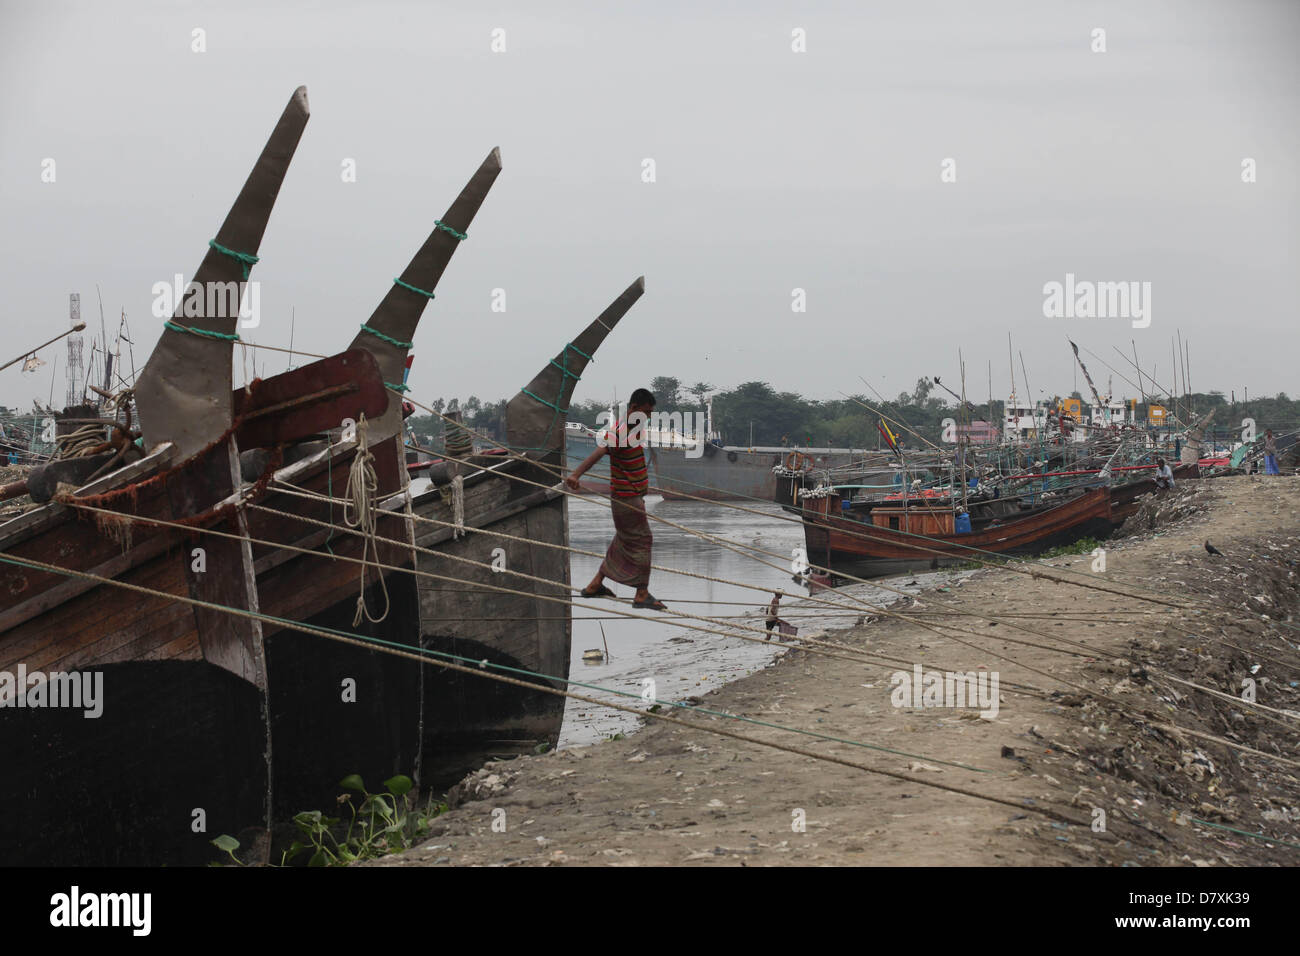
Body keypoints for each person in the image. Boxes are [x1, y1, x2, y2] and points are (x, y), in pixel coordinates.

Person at [566, 388, 666, 610]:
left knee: (623, 540)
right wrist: (575, 475)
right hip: (627, 499)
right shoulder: (620, 431)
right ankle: (641, 593)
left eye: (650, 414)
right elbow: (599, 452)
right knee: (643, 541)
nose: (647, 417)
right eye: (645, 412)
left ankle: (594, 585)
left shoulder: (632, 430)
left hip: (629, 498)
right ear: (633, 408)